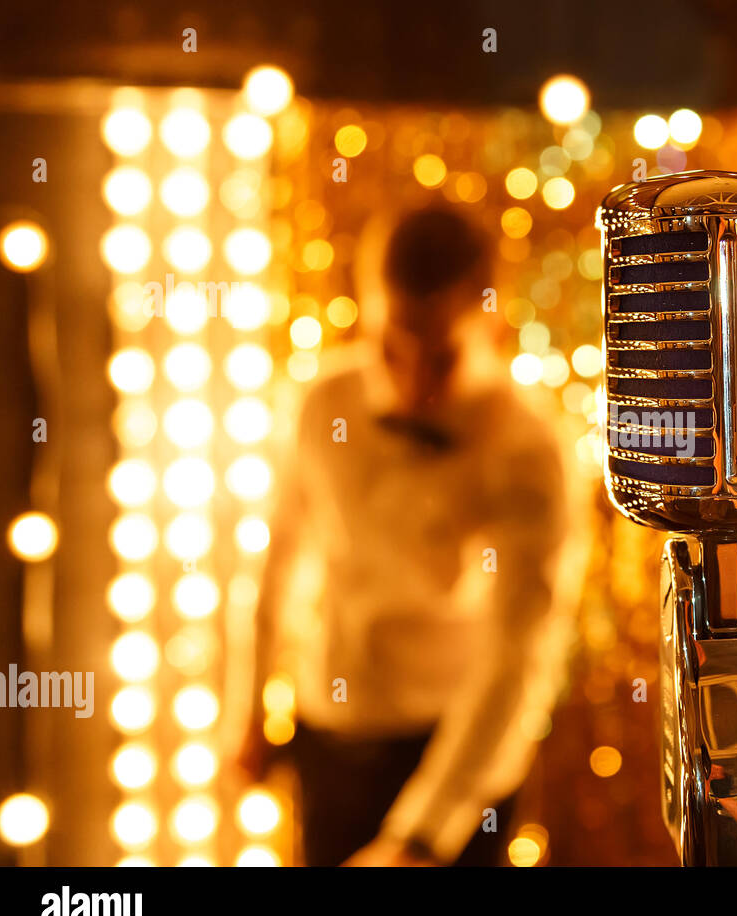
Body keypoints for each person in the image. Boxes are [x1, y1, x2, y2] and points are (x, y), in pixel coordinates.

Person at [236, 206, 573, 866]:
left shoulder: (529, 449)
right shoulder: (320, 404)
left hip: (461, 754)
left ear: (493, 322)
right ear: (368, 309)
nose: (415, 383)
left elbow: (520, 653)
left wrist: (421, 836)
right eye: (395, 344)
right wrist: (246, 709)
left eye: (442, 356)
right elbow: (276, 566)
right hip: (329, 740)